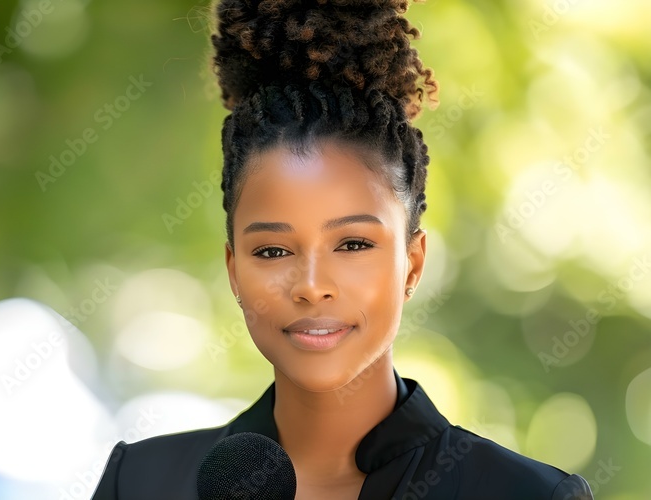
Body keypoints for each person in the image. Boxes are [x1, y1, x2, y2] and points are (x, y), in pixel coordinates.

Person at [92, 0, 595, 498]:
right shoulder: (142, 483)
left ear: (412, 264)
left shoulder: (523, 494)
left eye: (353, 243)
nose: (312, 286)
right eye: (272, 251)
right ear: (233, 271)